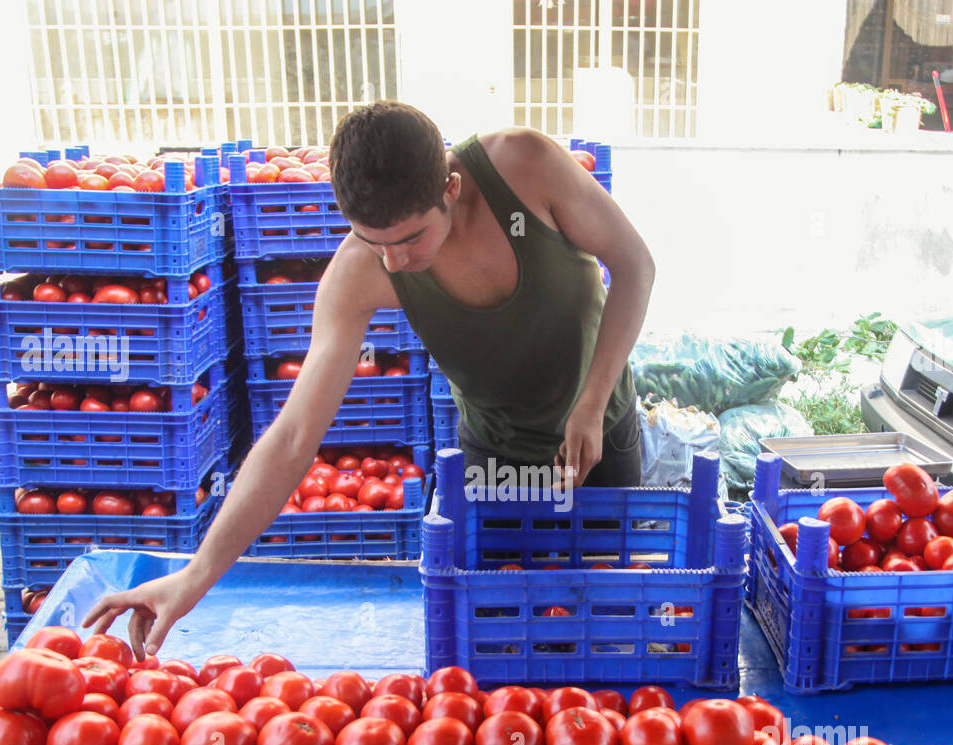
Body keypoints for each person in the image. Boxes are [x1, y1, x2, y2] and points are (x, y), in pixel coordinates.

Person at [83, 101, 656, 658]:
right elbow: (292, 436)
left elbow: (635, 264)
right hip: (497, 453)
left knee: (603, 622)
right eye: (372, 241)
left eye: (410, 239)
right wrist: (197, 574)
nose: (394, 263)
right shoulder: (359, 273)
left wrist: (592, 399)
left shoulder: (523, 166)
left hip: (596, 435)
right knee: (507, 636)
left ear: (451, 189)